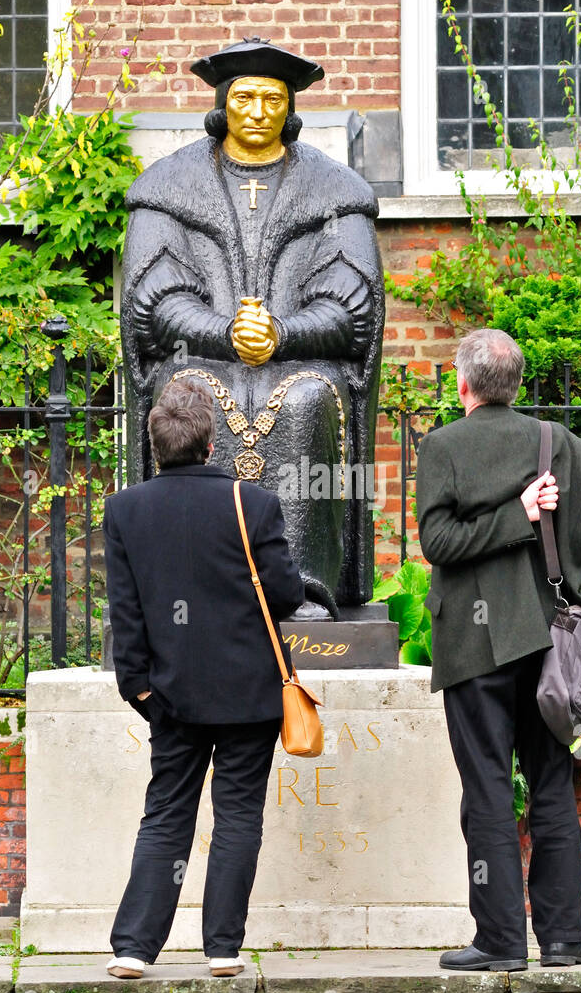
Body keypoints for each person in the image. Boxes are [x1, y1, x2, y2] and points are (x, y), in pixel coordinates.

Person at [120, 35, 386, 619]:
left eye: (273, 99)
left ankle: (303, 587)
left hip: (300, 359)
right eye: (246, 99)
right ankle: (197, 584)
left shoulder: (336, 193)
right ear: (222, 105)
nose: (259, 112)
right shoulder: (168, 188)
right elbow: (151, 297)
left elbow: (353, 303)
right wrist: (224, 334)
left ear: (290, 109)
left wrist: (283, 335)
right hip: (200, 354)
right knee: (190, 398)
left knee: (308, 399)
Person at [416, 328, 581, 973]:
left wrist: (517, 519)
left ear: (463, 385)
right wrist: (536, 518)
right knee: (551, 783)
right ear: (516, 385)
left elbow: (437, 541)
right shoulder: (565, 446)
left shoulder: (443, 447)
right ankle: (564, 940)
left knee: (488, 787)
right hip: (554, 644)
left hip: (475, 644)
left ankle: (499, 943)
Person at [102, 376, 304, 979]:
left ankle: (135, 947)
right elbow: (288, 596)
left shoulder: (126, 509)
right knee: (238, 814)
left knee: (166, 813)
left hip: (169, 693)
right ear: (211, 443)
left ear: (154, 447)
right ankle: (222, 948)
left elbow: (125, 610)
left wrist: (137, 686)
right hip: (251, 691)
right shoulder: (254, 503)